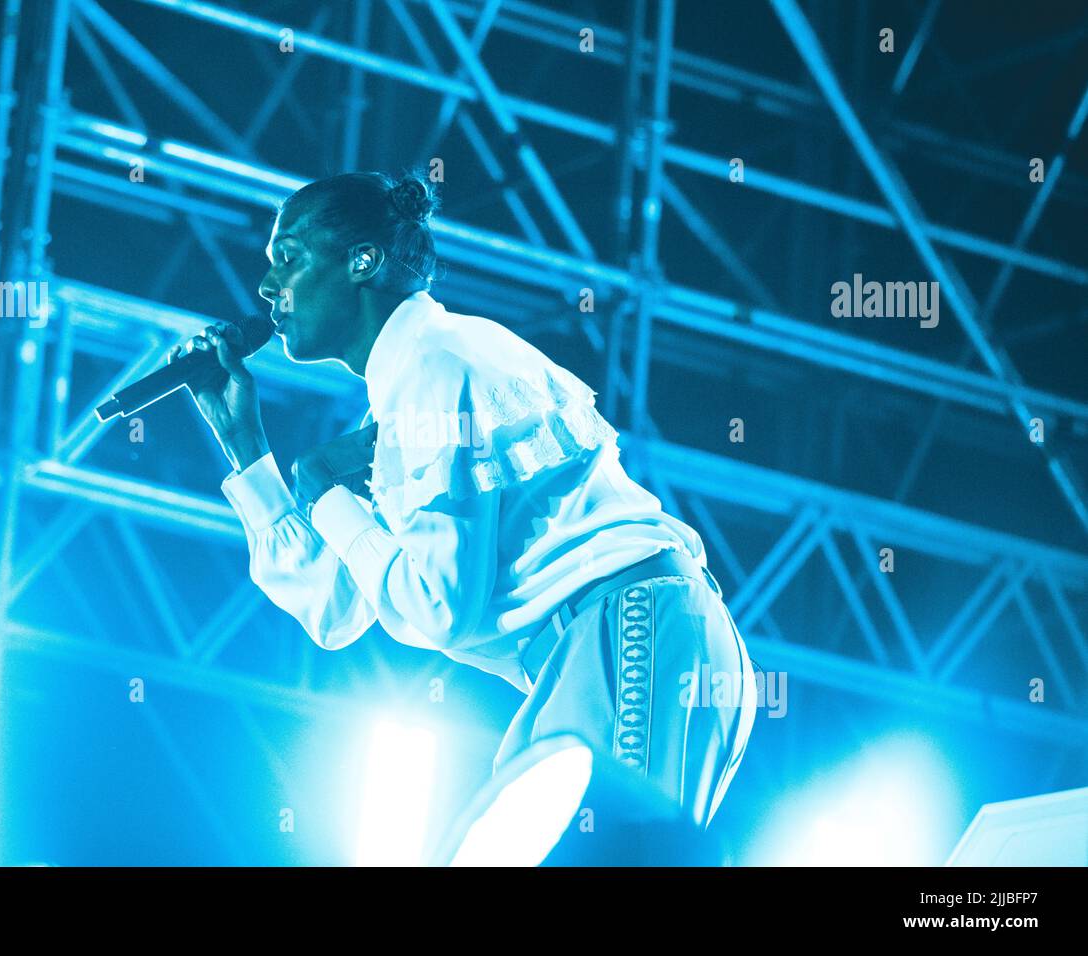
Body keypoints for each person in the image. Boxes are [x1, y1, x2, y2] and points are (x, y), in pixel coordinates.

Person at [171, 170, 756, 830]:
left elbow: (441, 609)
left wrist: (327, 492)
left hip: (630, 632)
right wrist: (249, 453)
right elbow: (337, 607)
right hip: (610, 645)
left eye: (289, 257)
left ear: (362, 261)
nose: (267, 285)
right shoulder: (411, 387)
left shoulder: (438, 365)